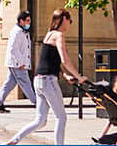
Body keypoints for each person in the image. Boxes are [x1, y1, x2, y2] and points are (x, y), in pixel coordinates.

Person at [7, 9, 83, 146]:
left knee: (40, 121)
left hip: (39, 80)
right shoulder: (59, 35)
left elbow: (52, 60)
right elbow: (65, 59)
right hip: (48, 81)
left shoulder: (49, 34)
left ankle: (14, 140)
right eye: (69, 20)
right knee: (61, 117)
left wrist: (65, 75)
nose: (70, 24)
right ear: (63, 19)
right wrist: (79, 76)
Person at [0, 10, 36, 112]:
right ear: (21, 21)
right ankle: (37, 103)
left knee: (10, 83)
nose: (29, 23)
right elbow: (13, 49)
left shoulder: (22, 31)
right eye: (27, 20)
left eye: (29, 20)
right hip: (17, 64)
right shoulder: (17, 32)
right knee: (26, 83)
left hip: (16, 63)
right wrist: (21, 62)